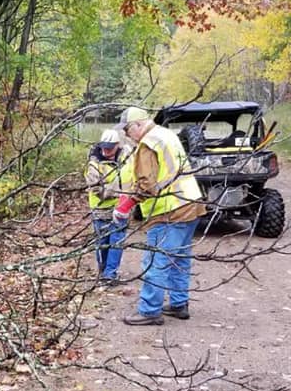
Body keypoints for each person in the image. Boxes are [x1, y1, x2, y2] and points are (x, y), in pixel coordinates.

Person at [112, 107, 206, 325]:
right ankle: (178, 303)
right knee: (180, 259)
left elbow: (146, 186)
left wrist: (124, 206)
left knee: (156, 260)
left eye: (127, 130)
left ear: (138, 125)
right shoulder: (166, 134)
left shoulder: (147, 144)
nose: (126, 135)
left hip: (169, 210)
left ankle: (149, 310)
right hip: (191, 203)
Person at [84, 129, 129, 283]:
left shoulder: (126, 159)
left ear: (118, 145)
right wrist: (116, 193)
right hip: (100, 211)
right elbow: (95, 188)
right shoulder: (94, 164)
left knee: (116, 243)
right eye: (104, 147)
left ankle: (110, 274)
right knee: (102, 243)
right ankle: (103, 271)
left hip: (121, 209)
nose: (106, 150)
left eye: (110, 147)